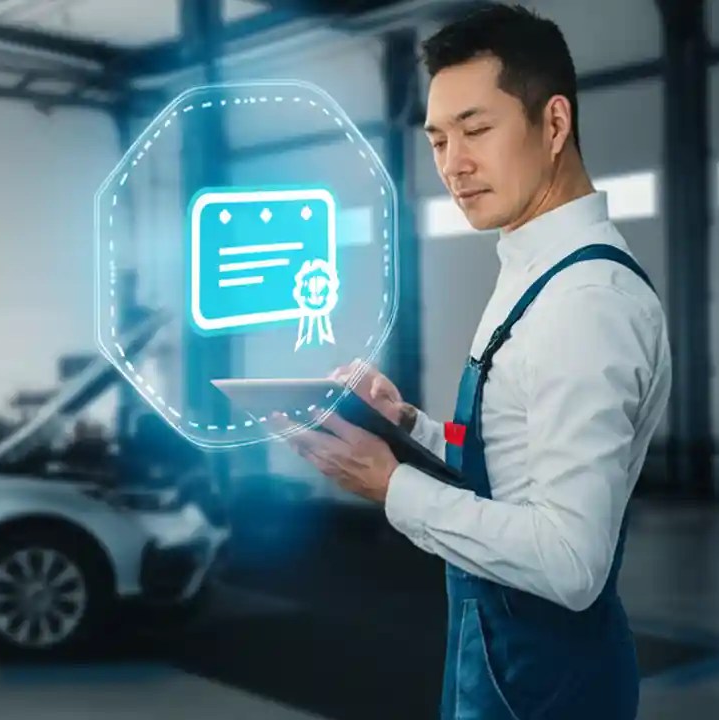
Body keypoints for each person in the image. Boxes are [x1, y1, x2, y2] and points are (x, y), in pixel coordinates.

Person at [278, 4, 672, 718]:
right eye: (436, 141)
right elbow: (516, 465)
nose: (453, 166)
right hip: (505, 657)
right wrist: (405, 426)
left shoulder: (586, 301)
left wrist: (392, 485)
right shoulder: (534, 270)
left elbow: (569, 562)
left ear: (553, 125)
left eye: (477, 131)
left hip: (548, 684)